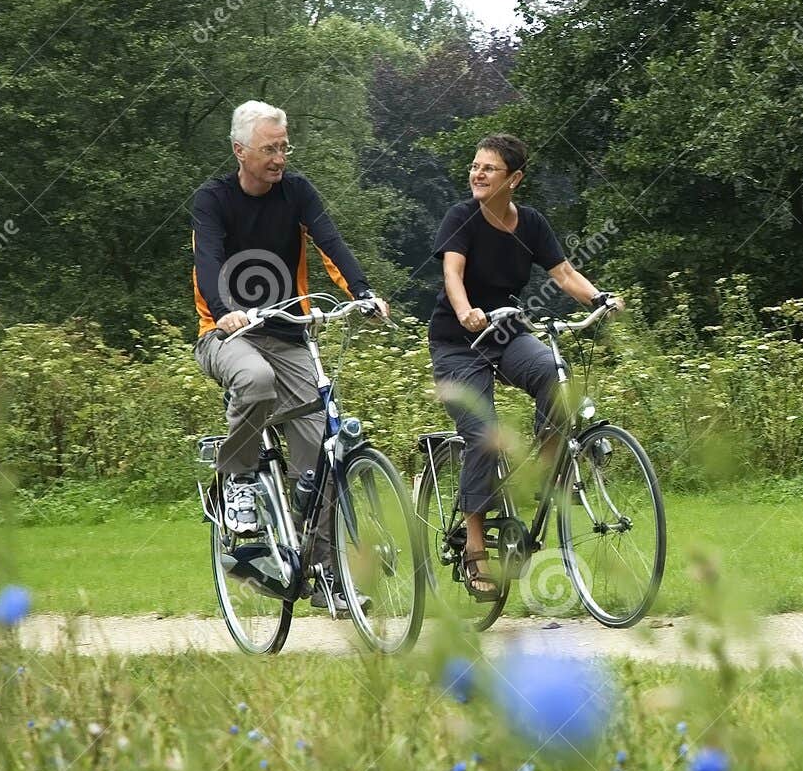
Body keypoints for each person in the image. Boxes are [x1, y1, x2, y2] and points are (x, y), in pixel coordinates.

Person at [191, 99, 389, 610]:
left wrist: (361, 292)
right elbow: (208, 260)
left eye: (284, 147)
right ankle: (236, 479)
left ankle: (325, 575)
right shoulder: (212, 200)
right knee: (254, 382)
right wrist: (223, 311)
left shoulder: (297, 192)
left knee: (318, 452)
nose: (280, 158)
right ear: (240, 151)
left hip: (289, 334)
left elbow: (330, 242)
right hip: (227, 336)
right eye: (269, 149)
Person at [428, 133, 622, 599]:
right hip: (458, 342)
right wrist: (466, 311)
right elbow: (453, 275)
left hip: (507, 331)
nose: (477, 174)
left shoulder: (530, 224)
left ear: (513, 178)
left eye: (489, 168)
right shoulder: (462, 218)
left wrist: (600, 298)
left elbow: (565, 274)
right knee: (484, 434)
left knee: (556, 378)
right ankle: (475, 549)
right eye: (475, 166)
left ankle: (545, 476)